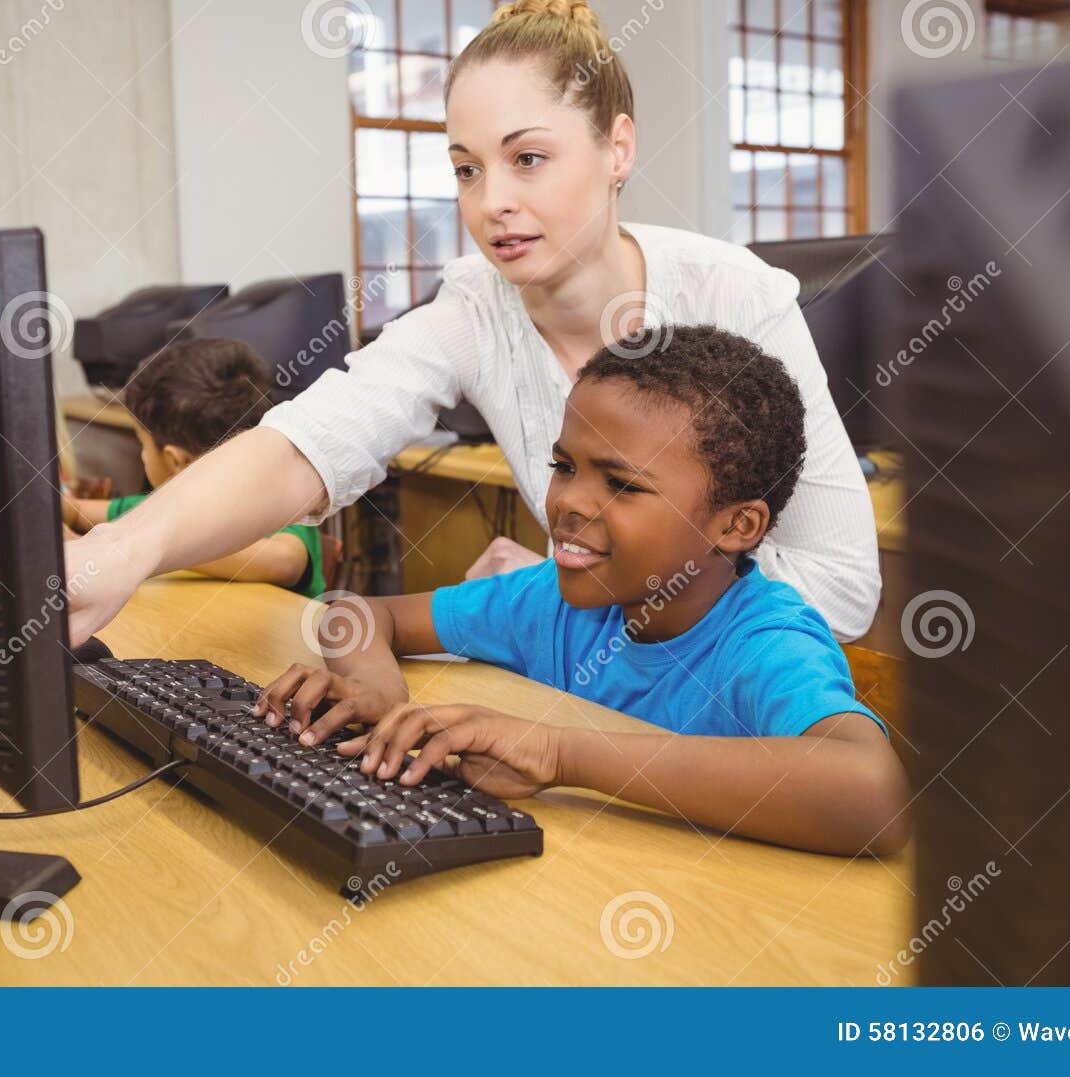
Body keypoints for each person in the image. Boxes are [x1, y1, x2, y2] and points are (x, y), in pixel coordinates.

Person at [64, 0, 879, 648]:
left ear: (617, 148)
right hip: (600, 693)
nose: (493, 204)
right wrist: (121, 551)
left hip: (731, 704)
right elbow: (308, 442)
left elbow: (843, 589)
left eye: (528, 158)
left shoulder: (732, 294)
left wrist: (568, 590)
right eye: (466, 169)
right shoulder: (475, 307)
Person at [253, 326, 909, 857]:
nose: (569, 502)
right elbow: (358, 614)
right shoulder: (554, 599)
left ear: (736, 525)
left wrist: (560, 751)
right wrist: (377, 692)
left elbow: (874, 796)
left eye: (622, 485)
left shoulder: (764, 643)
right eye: (563, 466)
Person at [63, 339, 324, 597]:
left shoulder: (282, 503)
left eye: (142, 445)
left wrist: (139, 548)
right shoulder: (163, 514)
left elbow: (285, 562)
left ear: (177, 461)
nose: (143, 457)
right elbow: (78, 513)